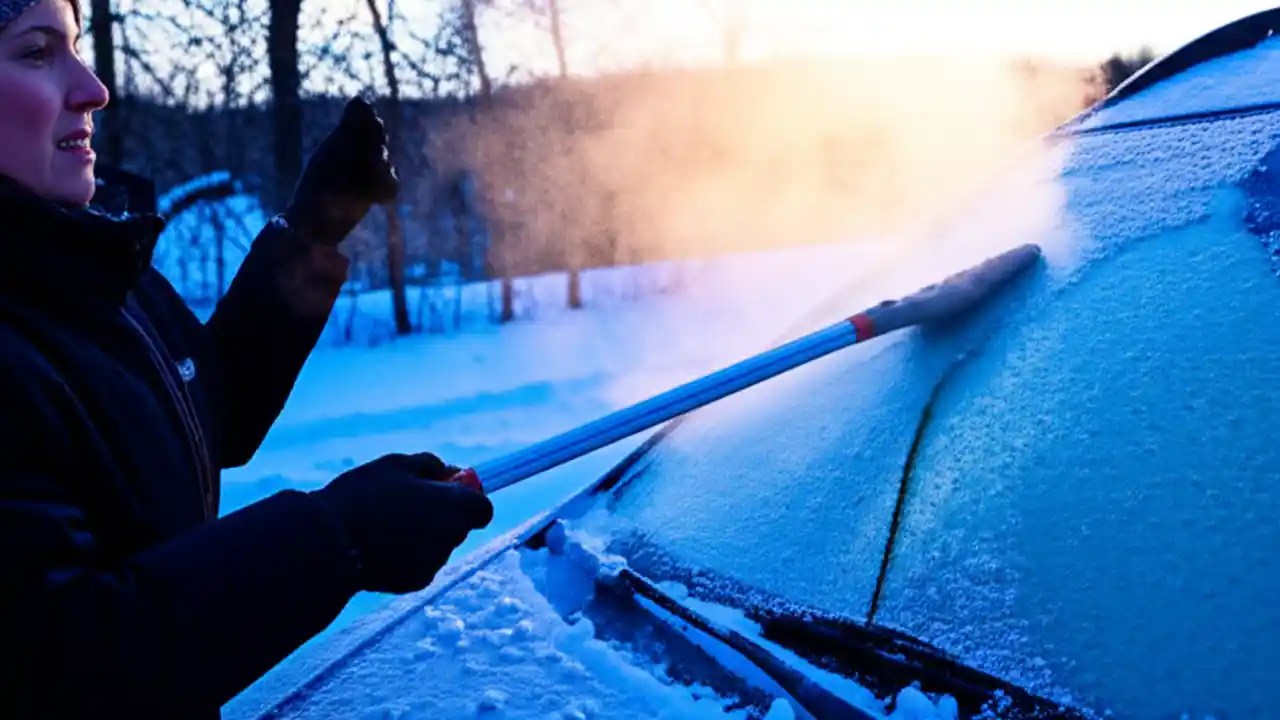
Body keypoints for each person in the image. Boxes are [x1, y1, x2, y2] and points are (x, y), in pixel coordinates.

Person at [0, 0, 494, 717]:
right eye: (37, 52)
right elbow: (63, 663)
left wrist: (312, 228)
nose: (92, 88)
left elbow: (206, 416)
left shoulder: (82, 264)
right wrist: (339, 540)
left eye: (76, 45)